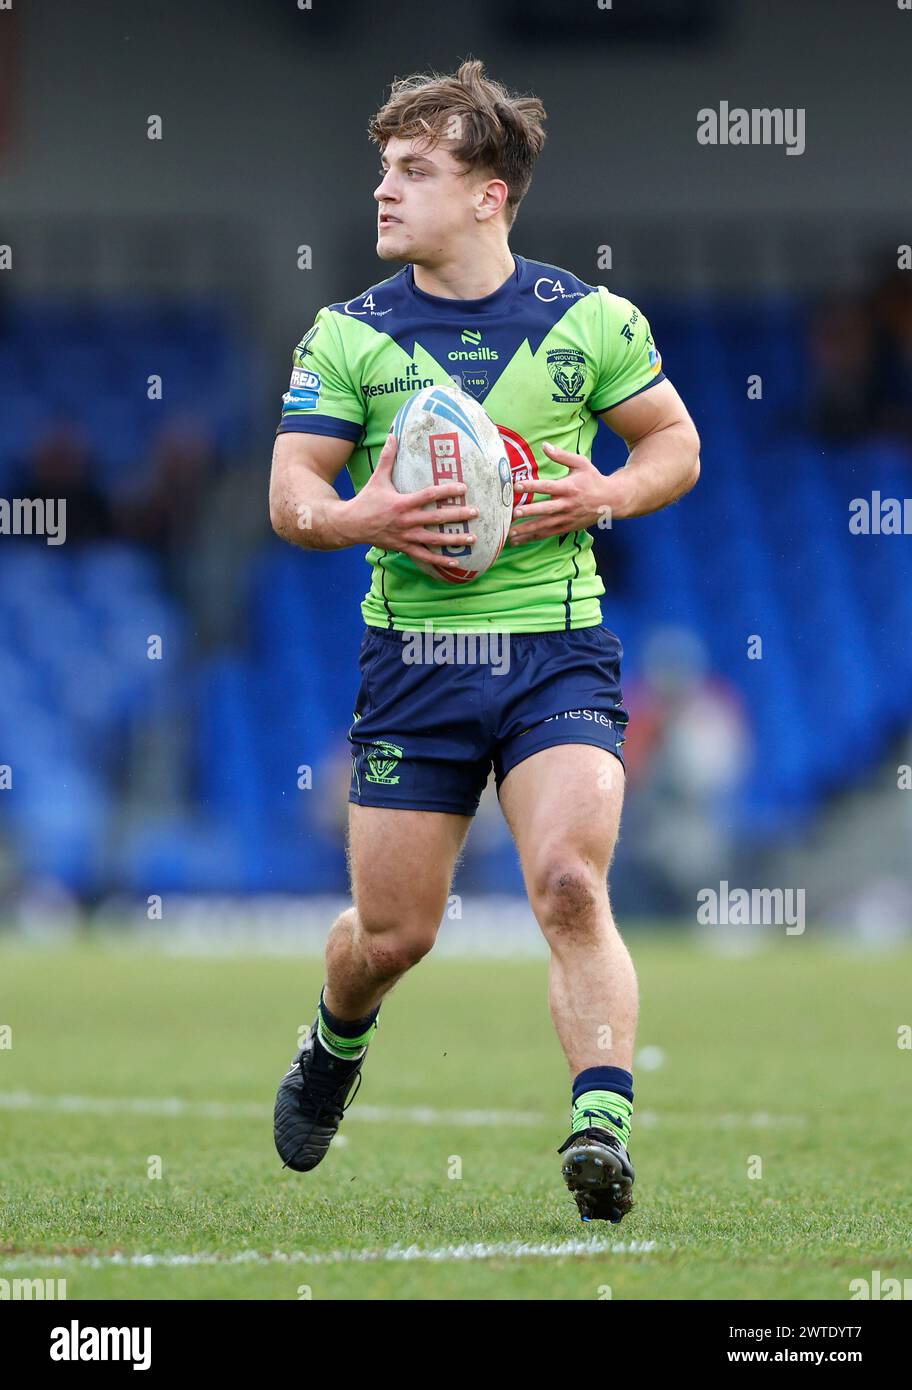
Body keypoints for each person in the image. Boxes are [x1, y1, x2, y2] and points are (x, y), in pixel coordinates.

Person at [268, 59, 700, 1223]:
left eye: (414, 171)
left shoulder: (590, 319)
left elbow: (675, 448)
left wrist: (602, 494)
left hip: (557, 647)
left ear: (488, 194)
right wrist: (362, 515)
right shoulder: (348, 336)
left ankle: (600, 1123)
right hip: (413, 662)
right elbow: (292, 495)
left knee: (567, 881)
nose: (386, 192)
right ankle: (332, 1041)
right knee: (393, 935)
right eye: (383, 171)